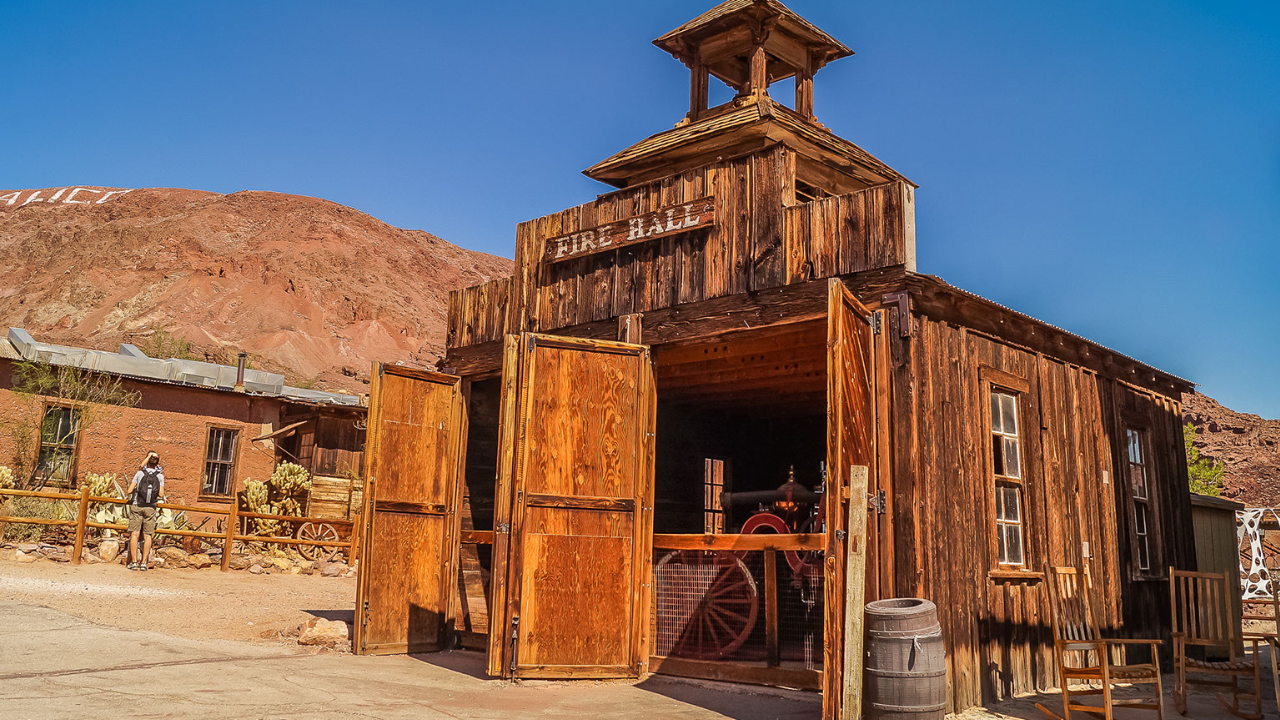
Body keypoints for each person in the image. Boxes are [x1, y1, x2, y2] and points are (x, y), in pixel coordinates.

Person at [125, 451, 166, 570]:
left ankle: (133, 562)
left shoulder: (139, 473)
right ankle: (143, 563)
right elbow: (161, 493)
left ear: (147, 460)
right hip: (150, 508)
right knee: (148, 535)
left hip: (138, 505)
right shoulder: (160, 476)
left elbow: (129, 491)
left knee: (134, 534)